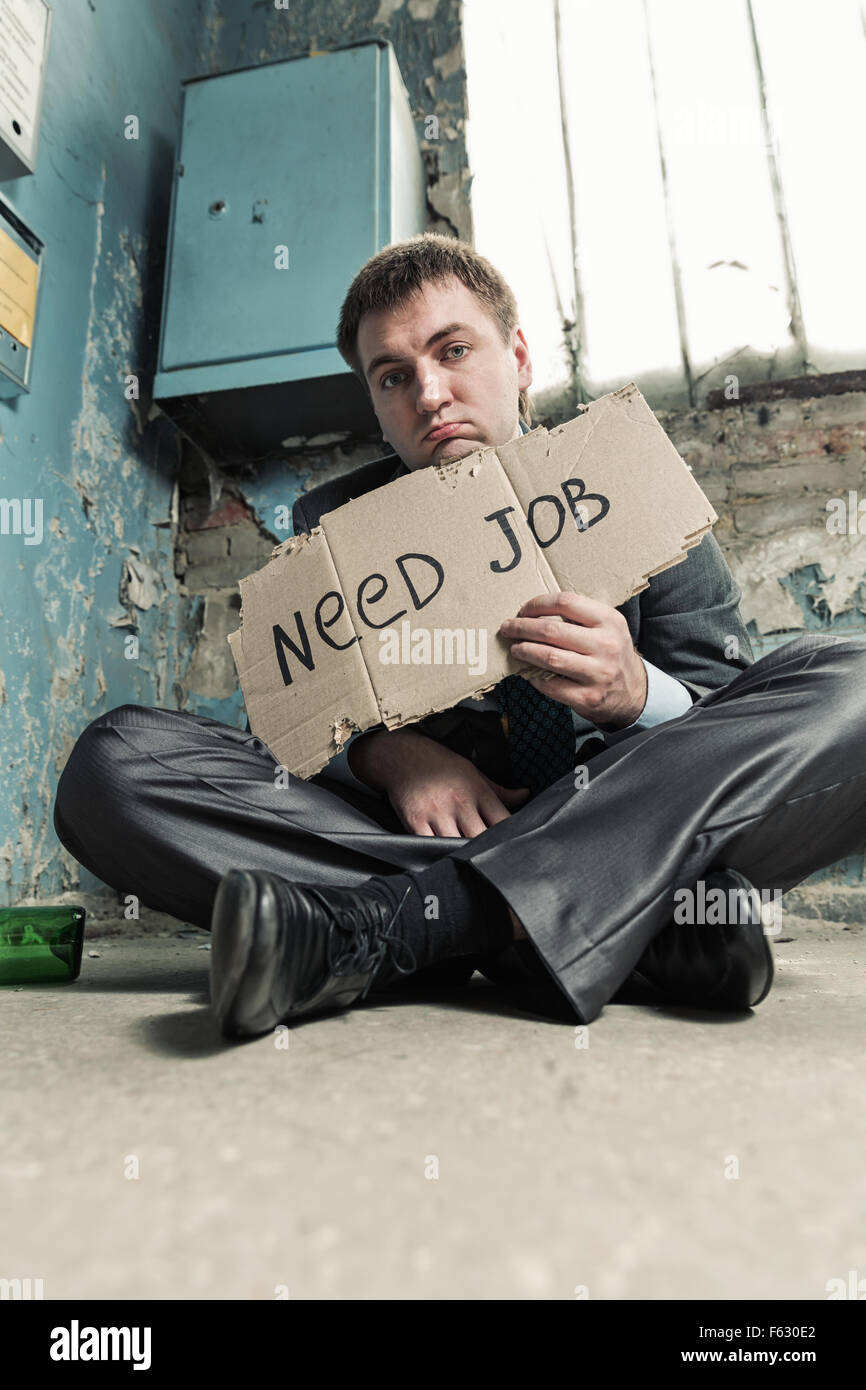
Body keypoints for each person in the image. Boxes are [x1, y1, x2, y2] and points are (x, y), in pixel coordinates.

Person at [54, 234, 866, 1040]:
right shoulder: (332, 532)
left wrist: (637, 696)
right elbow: (282, 734)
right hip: (440, 835)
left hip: (631, 803)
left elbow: (738, 721)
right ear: (374, 403)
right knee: (115, 768)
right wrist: (390, 755)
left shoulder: (632, 486)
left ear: (517, 357)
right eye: (394, 377)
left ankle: (408, 927)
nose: (430, 394)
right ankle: (629, 921)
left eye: (453, 351)